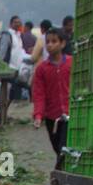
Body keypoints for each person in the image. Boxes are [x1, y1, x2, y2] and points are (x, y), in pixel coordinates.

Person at [32, 27, 72, 165]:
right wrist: (38, 115)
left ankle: (58, 178)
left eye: (54, 41)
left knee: (63, 149)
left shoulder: (72, 64)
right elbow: (39, 94)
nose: (50, 45)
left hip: (70, 114)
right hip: (52, 117)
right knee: (57, 148)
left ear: (62, 44)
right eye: (48, 42)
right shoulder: (42, 69)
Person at [0, 16, 30, 99]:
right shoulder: (7, 35)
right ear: (11, 24)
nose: (17, 24)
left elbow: (20, 51)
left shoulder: (19, 35)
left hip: (18, 68)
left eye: (19, 22)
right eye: (15, 22)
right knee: (17, 87)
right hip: (9, 67)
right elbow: (2, 51)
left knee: (17, 89)